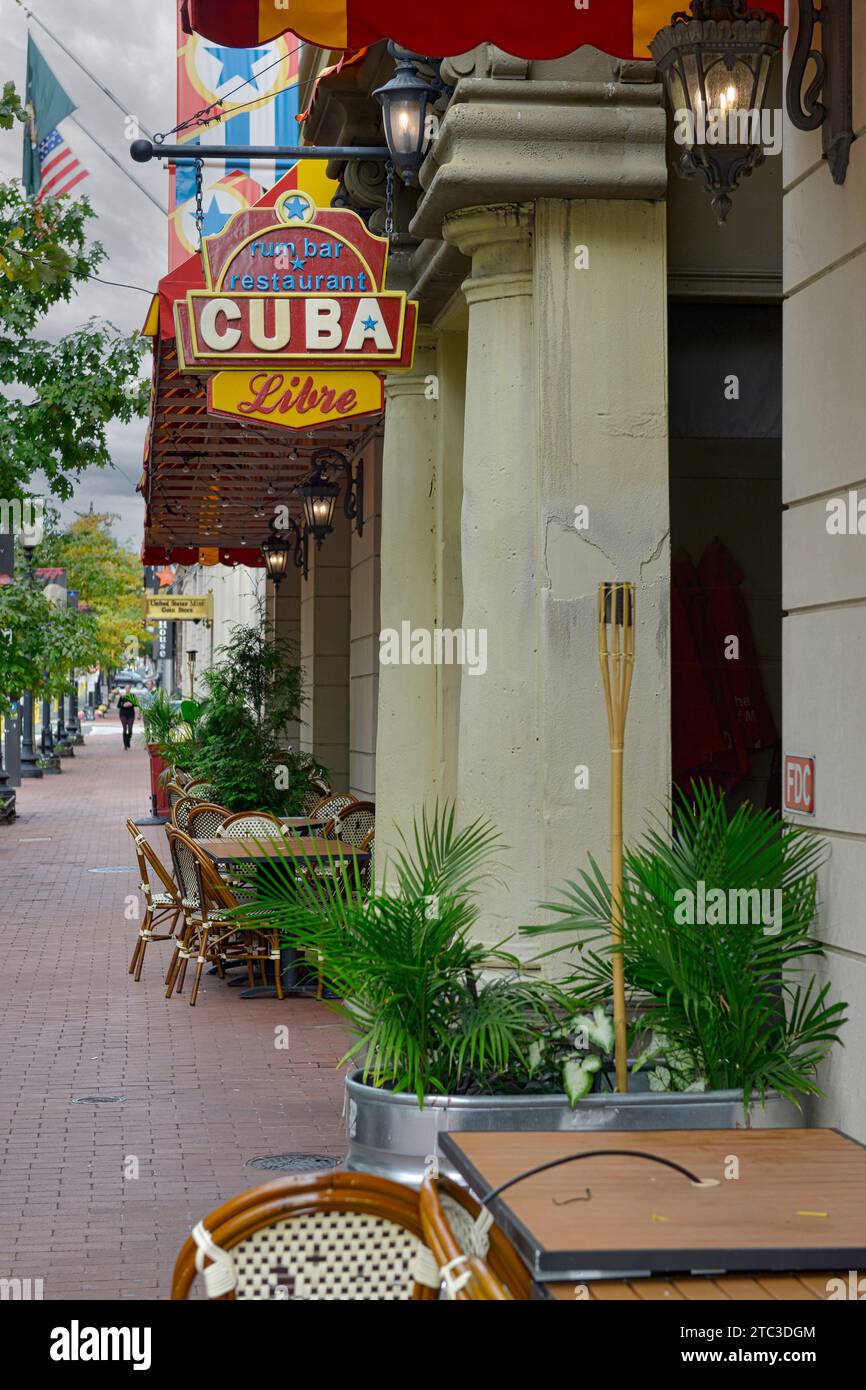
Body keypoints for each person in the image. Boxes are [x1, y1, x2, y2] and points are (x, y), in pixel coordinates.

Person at [117, 684, 137, 751]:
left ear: (130, 689)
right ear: (125, 688)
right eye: (126, 688)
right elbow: (118, 705)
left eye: (128, 688)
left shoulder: (132, 696)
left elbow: (136, 704)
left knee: (130, 729)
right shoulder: (122, 696)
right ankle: (125, 744)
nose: (127, 689)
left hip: (131, 713)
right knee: (125, 728)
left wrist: (131, 704)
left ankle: (128, 741)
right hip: (123, 713)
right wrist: (123, 705)